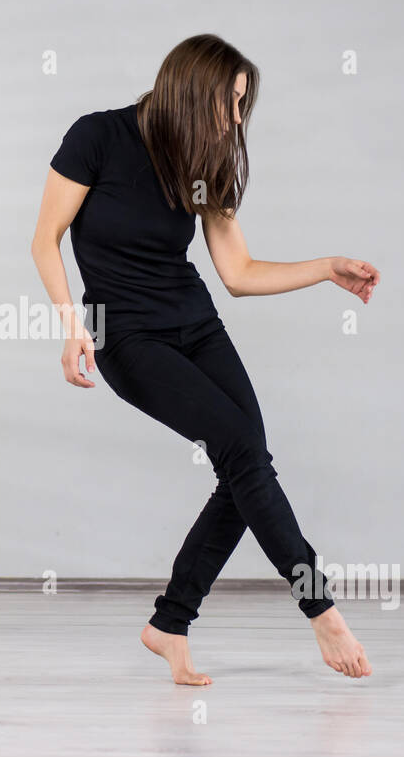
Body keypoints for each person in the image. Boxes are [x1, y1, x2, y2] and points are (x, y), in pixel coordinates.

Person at [30, 34, 377, 684]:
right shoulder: (95, 138)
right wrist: (72, 325)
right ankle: (320, 606)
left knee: (246, 463)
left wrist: (327, 268)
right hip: (128, 340)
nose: (237, 119)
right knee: (246, 458)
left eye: (245, 105)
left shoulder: (202, 161)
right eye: (231, 102)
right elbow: (44, 241)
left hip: (197, 326)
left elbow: (239, 273)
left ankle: (170, 623)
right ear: (192, 89)